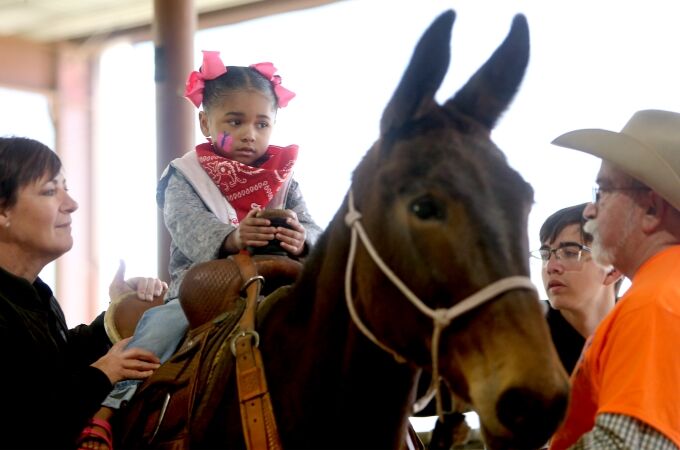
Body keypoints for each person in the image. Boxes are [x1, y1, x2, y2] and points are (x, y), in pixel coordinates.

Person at [80, 51, 323, 449]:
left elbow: (313, 223)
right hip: (203, 293)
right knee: (160, 327)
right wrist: (232, 238)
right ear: (205, 122)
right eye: (235, 121)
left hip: (274, 284)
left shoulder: (282, 176)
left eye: (262, 124)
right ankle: (110, 408)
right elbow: (186, 226)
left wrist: (304, 236)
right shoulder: (185, 174)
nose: (249, 134)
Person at [0, 136, 166, 449]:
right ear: (3, 211)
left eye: (66, 188)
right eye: (51, 191)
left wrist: (118, 312)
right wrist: (103, 374)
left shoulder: (35, 293)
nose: (71, 204)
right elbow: (22, 422)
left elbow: (57, 364)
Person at [547, 109, 680, 449]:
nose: (591, 210)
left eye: (602, 192)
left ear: (651, 210)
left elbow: (627, 445)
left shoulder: (655, 304)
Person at [532, 203, 622, 374]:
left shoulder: (647, 325)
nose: (550, 267)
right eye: (545, 255)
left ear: (613, 269)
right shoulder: (526, 332)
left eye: (570, 253)